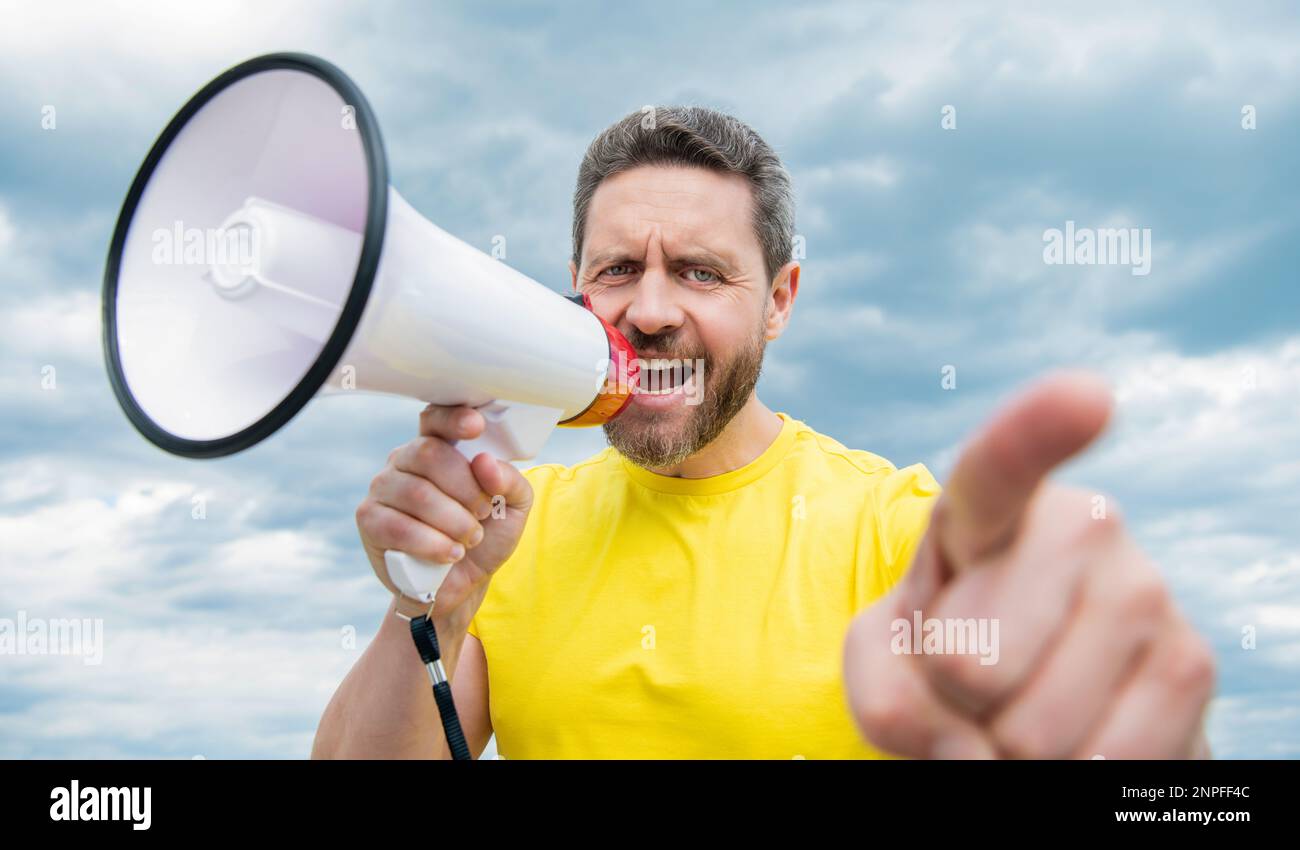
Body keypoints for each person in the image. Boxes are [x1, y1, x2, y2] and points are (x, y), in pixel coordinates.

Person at [312, 107, 1214, 759]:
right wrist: (432, 602)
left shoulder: (896, 527)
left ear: (780, 300)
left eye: (701, 274)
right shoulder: (512, 529)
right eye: (618, 269)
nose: (651, 310)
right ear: (575, 287)